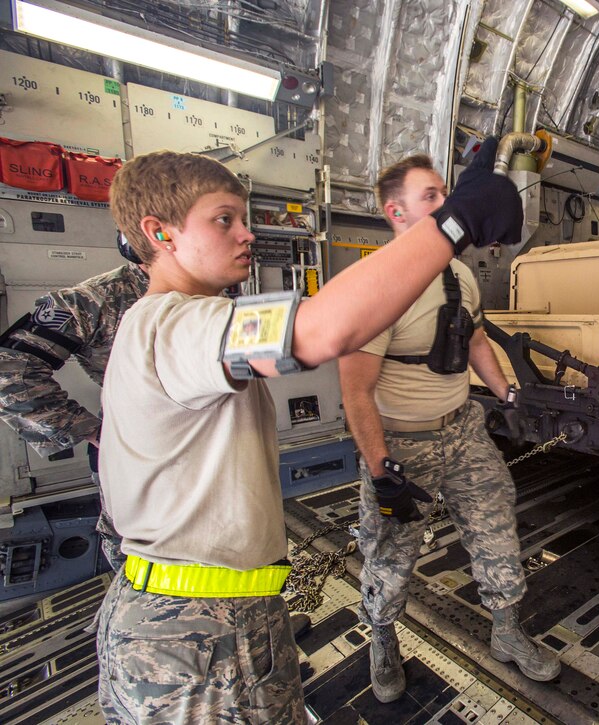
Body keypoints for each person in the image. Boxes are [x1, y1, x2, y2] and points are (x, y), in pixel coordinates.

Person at [96, 144, 521, 723]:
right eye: (224, 220)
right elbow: (319, 331)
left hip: (216, 615)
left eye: (243, 219)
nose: (246, 235)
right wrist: (455, 221)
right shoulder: (174, 324)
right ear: (160, 232)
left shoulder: (184, 320)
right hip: (194, 632)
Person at [339, 154, 560, 704]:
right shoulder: (378, 286)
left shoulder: (458, 273)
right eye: (431, 197)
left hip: (461, 430)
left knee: (494, 519)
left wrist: (507, 394)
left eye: (445, 192)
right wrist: (381, 471)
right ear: (396, 213)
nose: (447, 204)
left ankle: (507, 629)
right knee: (391, 547)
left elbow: (476, 340)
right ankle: (383, 637)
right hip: (401, 443)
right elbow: (355, 391)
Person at [0, 243, 148, 571]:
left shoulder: (212, 298)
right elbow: (10, 368)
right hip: (135, 457)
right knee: (142, 571)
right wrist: (85, 428)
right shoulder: (96, 299)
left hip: (207, 453)